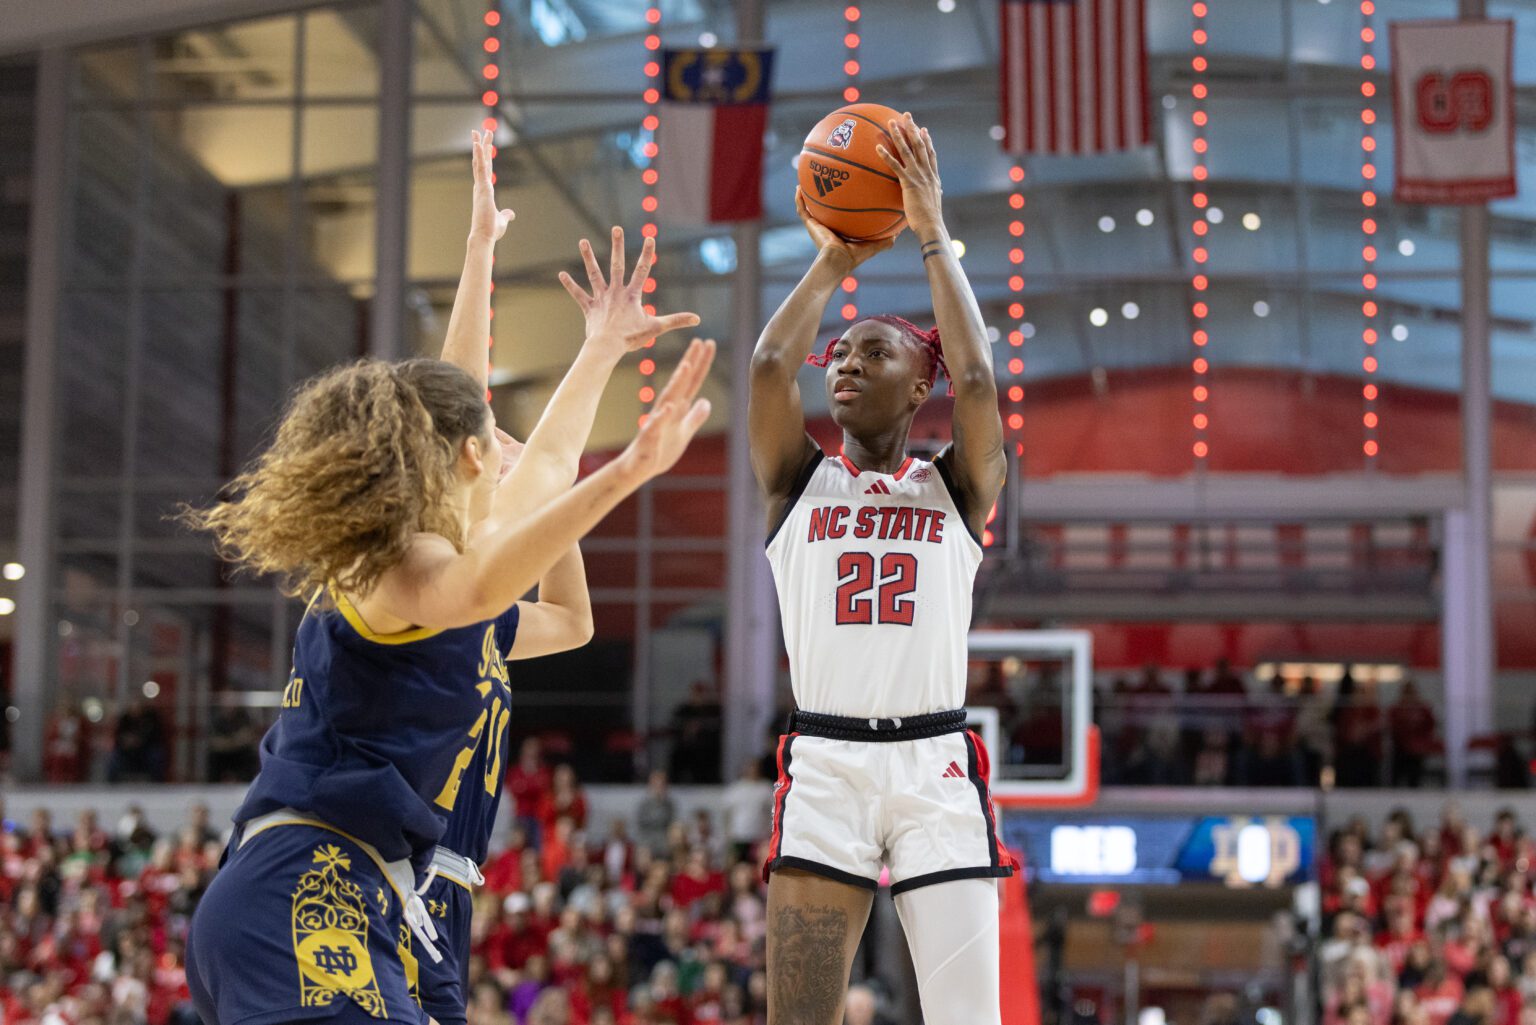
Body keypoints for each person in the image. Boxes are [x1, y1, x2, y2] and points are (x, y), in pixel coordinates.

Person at [178, 191, 715, 1025]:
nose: (512, 457)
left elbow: (531, 460)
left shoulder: (420, 554)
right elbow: (500, 537)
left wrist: (595, 343)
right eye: (489, 441)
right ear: (469, 457)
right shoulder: (397, 571)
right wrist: (629, 472)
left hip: (340, 889)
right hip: (304, 887)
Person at [750, 113, 1010, 1025]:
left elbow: (981, 384)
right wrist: (834, 256)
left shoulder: (957, 487)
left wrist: (932, 231)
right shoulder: (798, 482)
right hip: (825, 762)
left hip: (935, 761)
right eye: (844, 354)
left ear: (921, 382)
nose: (846, 364)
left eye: (874, 351)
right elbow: (770, 363)